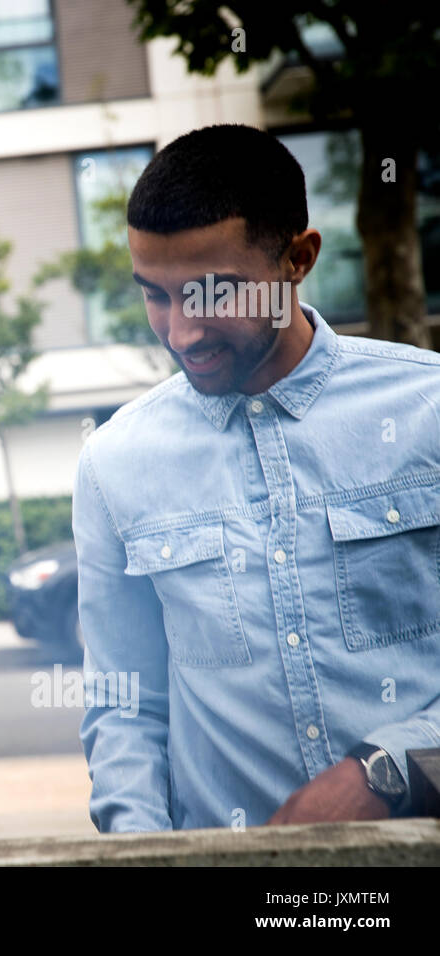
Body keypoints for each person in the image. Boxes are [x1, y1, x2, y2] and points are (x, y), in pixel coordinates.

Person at [75, 124, 440, 833]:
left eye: (214, 294)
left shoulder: (430, 411)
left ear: (298, 259)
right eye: (156, 295)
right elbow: (126, 705)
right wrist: (144, 855)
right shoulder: (114, 463)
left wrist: (389, 769)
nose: (182, 333)